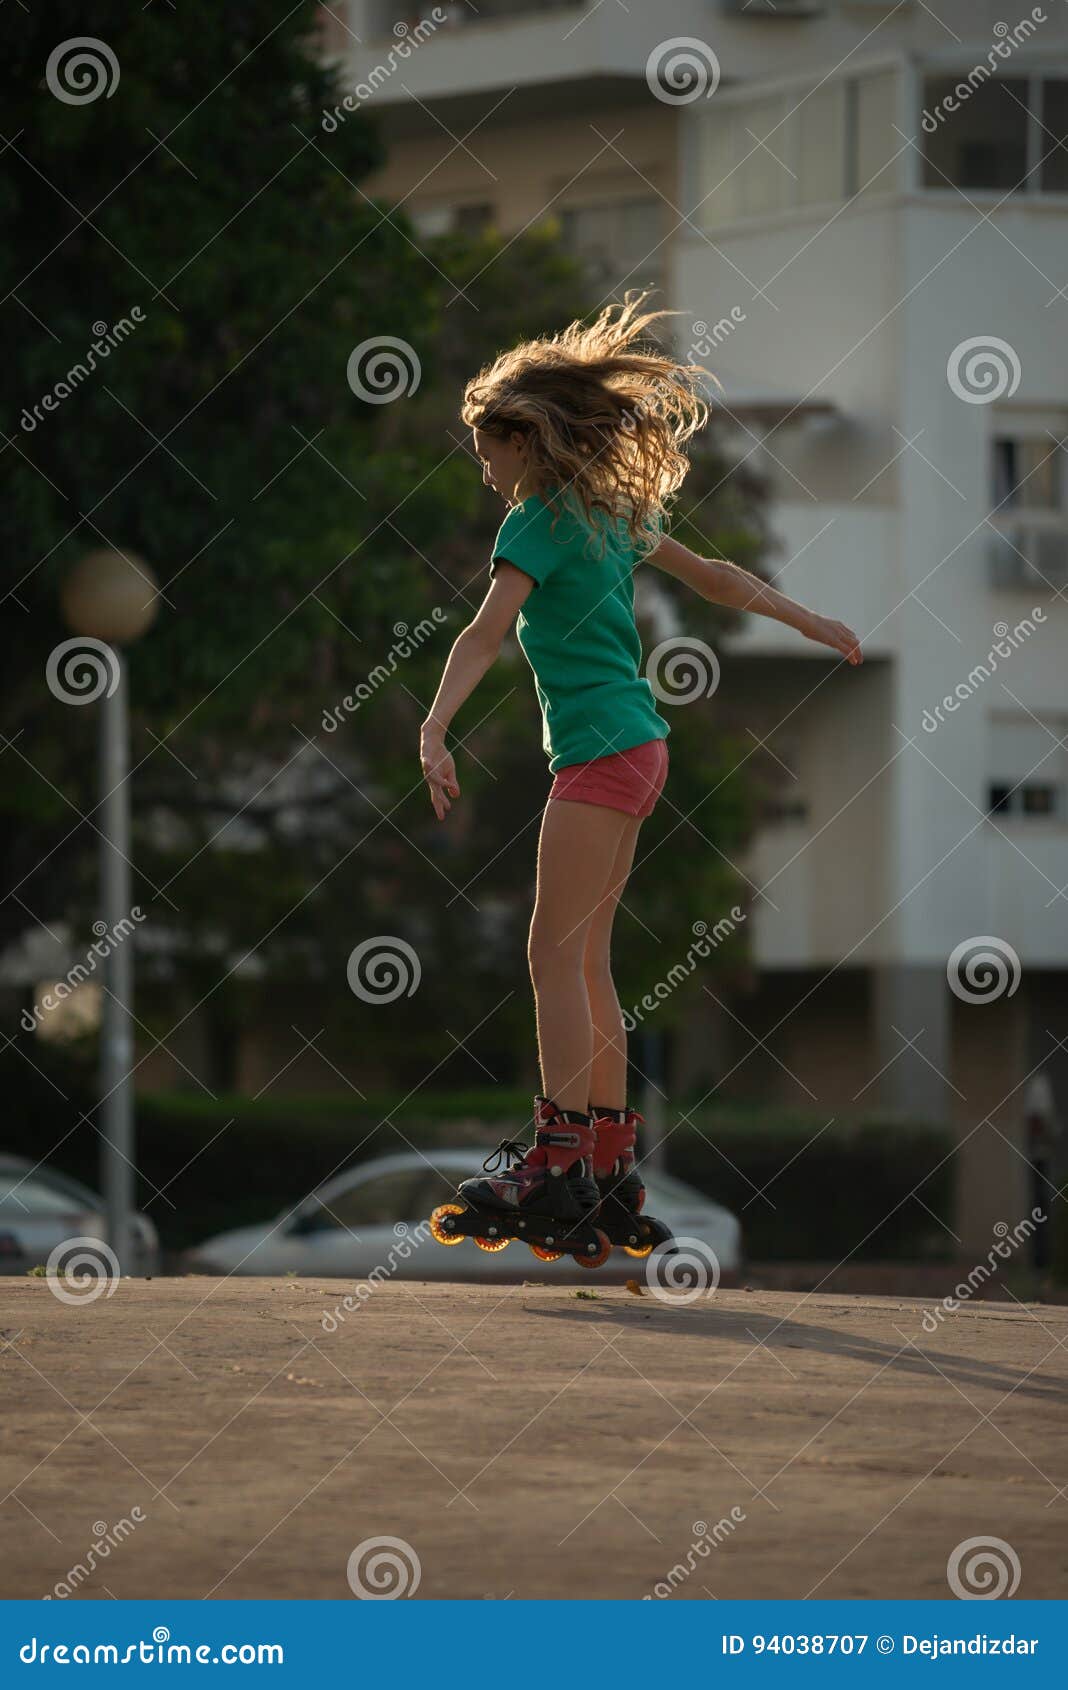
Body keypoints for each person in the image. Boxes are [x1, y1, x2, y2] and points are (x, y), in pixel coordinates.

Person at [419, 290, 862, 1256]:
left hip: (599, 753)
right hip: (641, 748)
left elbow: (484, 633)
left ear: (525, 439)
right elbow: (718, 579)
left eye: (488, 450)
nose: (484, 469)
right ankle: (611, 1167)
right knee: (587, 960)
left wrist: (436, 724)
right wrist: (810, 620)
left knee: (551, 955)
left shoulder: (535, 521)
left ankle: (557, 1164)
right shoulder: (608, 514)